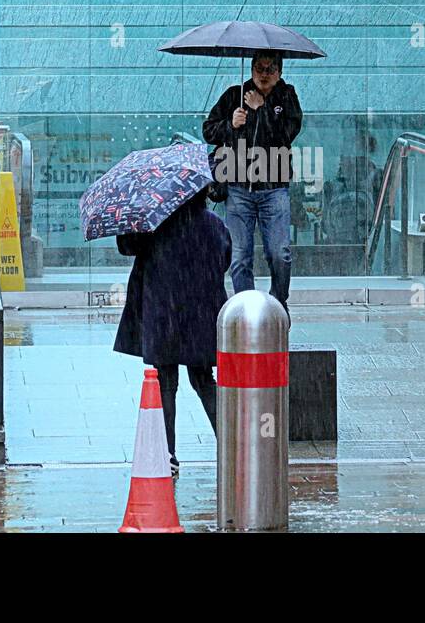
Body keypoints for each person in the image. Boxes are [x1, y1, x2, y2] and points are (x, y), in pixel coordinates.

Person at [113, 188, 231, 478]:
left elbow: (127, 247)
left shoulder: (155, 226)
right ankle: (231, 445)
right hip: (201, 316)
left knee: (165, 383)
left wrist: (129, 217)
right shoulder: (213, 225)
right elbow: (225, 260)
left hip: (163, 315)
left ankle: (167, 455)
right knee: (204, 380)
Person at [202, 50, 302, 316]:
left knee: (279, 253)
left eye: (270, 69)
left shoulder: (287, 97)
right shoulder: (234, 95)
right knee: (239, 257)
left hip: (274, 188)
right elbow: (209, 130)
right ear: (251, 69)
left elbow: (285, 136)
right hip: (238, 188)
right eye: (259, 68)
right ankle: (247, 312)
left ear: (280, 72)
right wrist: (230, 124)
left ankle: (278, 306)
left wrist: (262, 109)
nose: (264, 74)